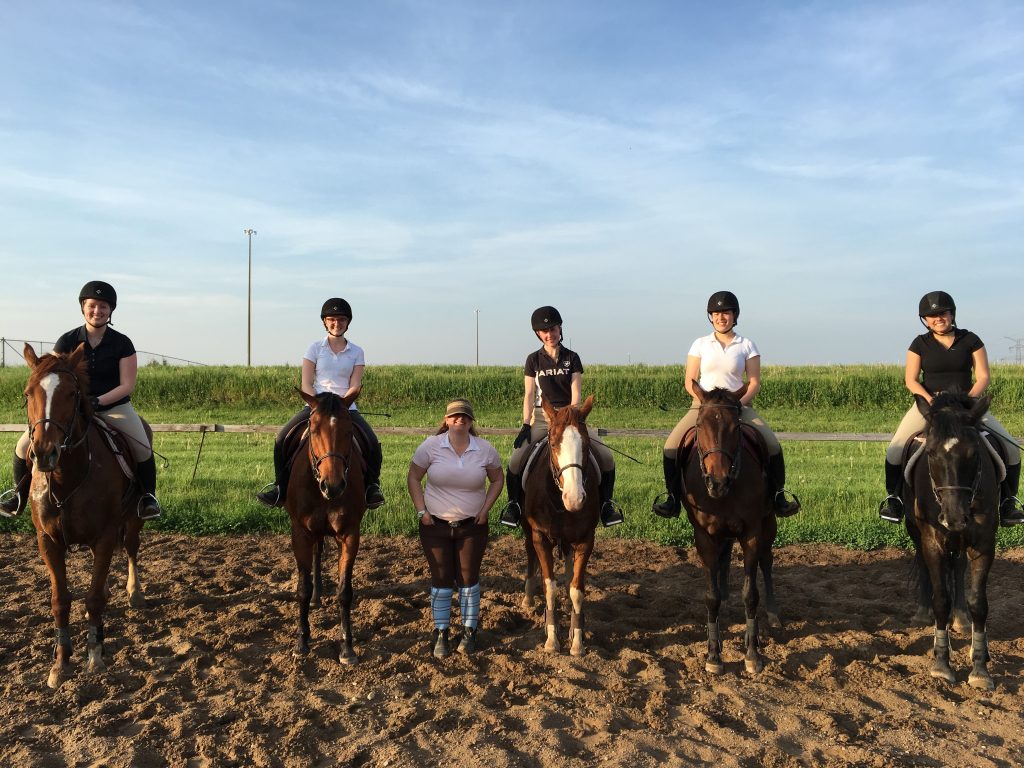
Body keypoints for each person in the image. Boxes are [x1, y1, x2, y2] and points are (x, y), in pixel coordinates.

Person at [0, 281, 162, 519]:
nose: (98, 311)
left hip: (113, 407)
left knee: (141, 446)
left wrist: (97, 401)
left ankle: (147, 498)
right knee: (23, 446)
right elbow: (51, 377)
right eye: (93, 306)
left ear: (110, 311)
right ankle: (18, 496)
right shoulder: (66, 340)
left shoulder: (122, 343)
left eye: (103, 307)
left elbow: (127, 384)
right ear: (83, 307)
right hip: (71, 408)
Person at [878, 291, 1024, 526]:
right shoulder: (919, 343)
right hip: (930, 405)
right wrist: (930, 401)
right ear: (925, 320)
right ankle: (894, 500)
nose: (937, 318)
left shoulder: (971, 340)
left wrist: (968, 401)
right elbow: (911, 380)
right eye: (931, 315)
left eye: (942, 313)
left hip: (967, 404)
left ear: (952, 314)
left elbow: (983, 376)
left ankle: (1008, 502)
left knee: (1011, 448)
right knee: (895, 450)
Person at [652, 291, 800, 519]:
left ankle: (779, 496)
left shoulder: (747, 345)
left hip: (738, 406)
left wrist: (736, 405)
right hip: (703, 407)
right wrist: (706, 403)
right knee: (671, 447)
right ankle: (672, 498)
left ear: (734, 315)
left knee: (772, 445)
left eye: (726, 313)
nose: (721, 317)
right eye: (716, 313)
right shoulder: (700, 344)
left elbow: (754, 382)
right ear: (710, 317)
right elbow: (689, 381)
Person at [499, 306, 623, 529]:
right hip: (542, 416)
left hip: (570, 416)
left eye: (553, 329)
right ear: (538, 334)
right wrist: (526, 424)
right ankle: (514, 506)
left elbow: (576, 395)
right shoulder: (533, 360)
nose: (549, 334)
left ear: (560, 328)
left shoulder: (572, 358)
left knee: (606, 457)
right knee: (516, 461)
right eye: (544, 331)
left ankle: (606, 505)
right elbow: (529, 394)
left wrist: (571, 418)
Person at [256, 298, 385, 509]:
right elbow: (306, 383)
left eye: (341, 319)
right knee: (282, 439)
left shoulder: (357, 351)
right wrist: (316, 403)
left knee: (372, 442)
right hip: (316, 406)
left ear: (348, 322)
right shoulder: (314, 348)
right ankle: (280, 488)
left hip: (345, 407)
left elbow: (355, 385)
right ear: (325, 322)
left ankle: (372, 487)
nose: (337, 323)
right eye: (332, 319)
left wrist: (343, 403)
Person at [407, 398, 504, 658]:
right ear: (447, 420)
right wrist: (421, 511)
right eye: (455, 416)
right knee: (440, 579)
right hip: (435, 524)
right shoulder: (430, 446)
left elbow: (497, 479)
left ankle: (469, 631)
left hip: (472, 525)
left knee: (468, 578)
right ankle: (441, 632)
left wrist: (485, 509)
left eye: (465, 416)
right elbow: (414, 477)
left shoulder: (485, 449)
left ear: (471, 421)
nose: (460, 419)